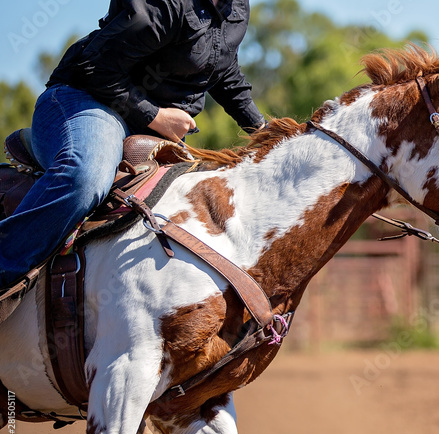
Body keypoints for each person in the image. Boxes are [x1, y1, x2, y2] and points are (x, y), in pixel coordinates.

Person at [0, 0, 265, 288]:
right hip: (88, 102)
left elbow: (223, 70)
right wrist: (157, 116)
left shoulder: (236, 8)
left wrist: (265, 131)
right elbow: (95, 68)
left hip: (153, 128)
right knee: (86, 177)